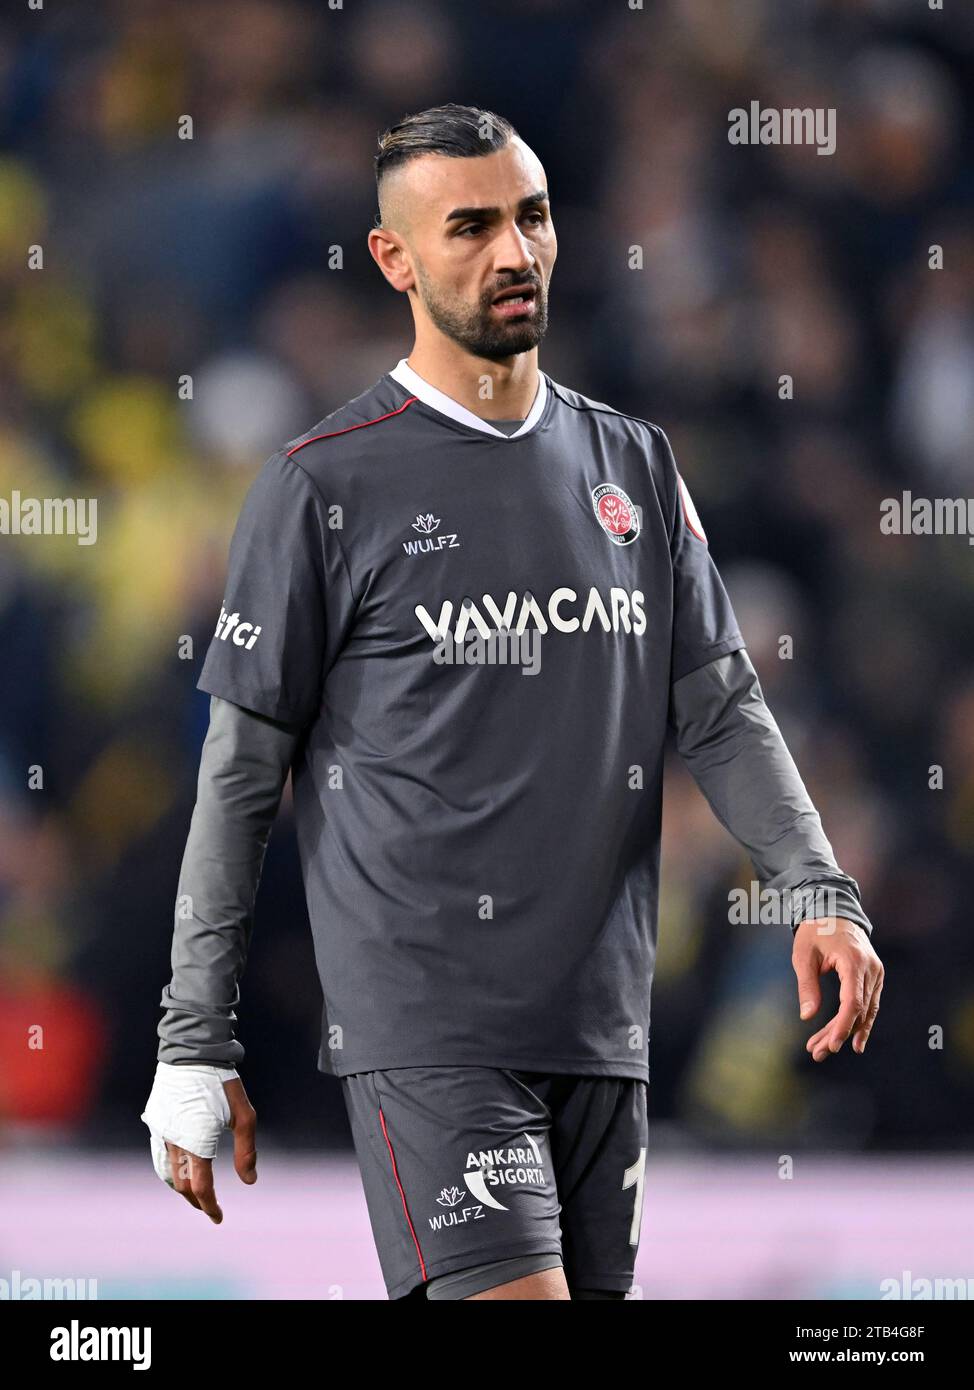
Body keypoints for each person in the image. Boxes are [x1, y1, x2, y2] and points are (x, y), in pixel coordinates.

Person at [142, 104, 884, 1302]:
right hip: (429, 1021)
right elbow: (237, 778)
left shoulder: (633, 465)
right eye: (470, 226)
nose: (513, 253)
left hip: (602, 1018)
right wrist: (192, 1036)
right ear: (392, 259)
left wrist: (814, 884)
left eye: (530, 218)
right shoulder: (321, 485)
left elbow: (720, 706)